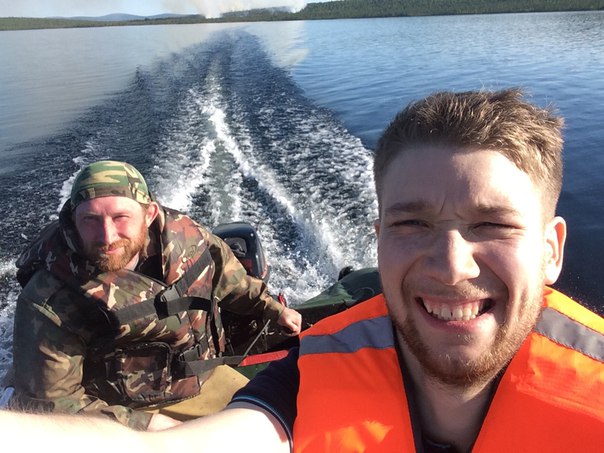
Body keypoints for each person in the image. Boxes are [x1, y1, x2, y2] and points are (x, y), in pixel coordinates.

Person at [1, 89, 602, 452]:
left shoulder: (189, 242)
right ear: (379, 239)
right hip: (121, 405)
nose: (451, 266)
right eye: (413, 223)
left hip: (196, 375)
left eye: (493, 224)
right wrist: (145, 426)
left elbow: (236, 286)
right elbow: (54, 411)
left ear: (552, 250)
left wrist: (278, 314)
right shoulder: (304, 384)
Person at [3, 160, 301, 431]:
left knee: (288, 421)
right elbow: (53, 404)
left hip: (205, 378)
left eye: (121, 217)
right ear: (72, 219)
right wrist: (145, 425)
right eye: (90, 219)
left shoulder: (188, 237)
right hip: (113, 413)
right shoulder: (50, 297)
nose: (107, 236)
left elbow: (230, 279)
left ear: (149, 214)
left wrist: (272, 309)